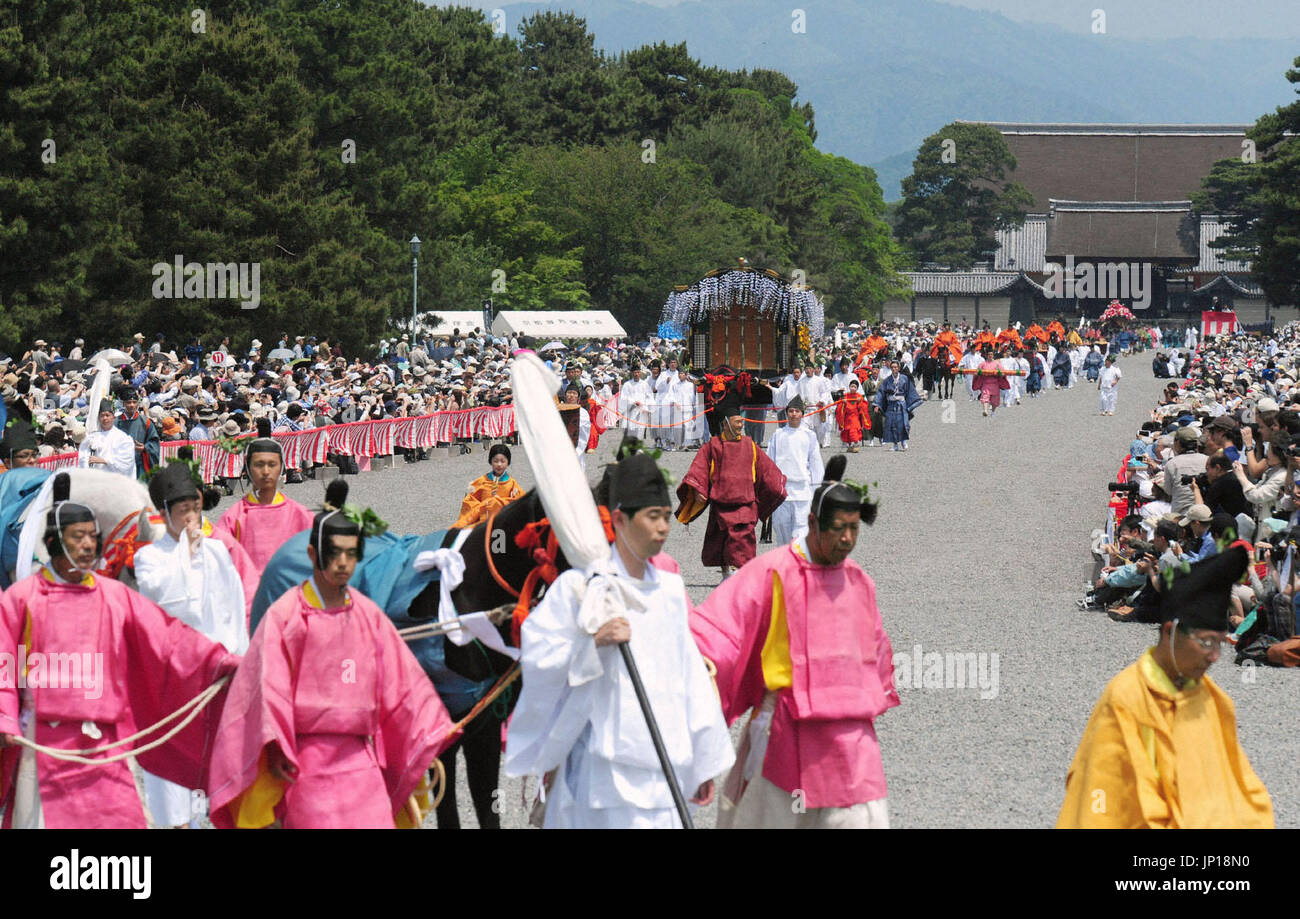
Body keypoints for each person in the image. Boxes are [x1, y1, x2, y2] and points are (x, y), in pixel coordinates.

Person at [503, 451, 734, 828]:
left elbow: (690, 675)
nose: (663, 527)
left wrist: (704, 758)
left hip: (666, 762)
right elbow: (538, 656)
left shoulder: (671, 589)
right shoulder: (582, 587)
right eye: (653, 517)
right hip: (603, 769)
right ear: (621, 520)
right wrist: (590, 645)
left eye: (665, 516)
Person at [0, 473, 240, 828]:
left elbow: (169, 638)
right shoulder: (22, 598)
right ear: (53, 542)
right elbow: (4, 663)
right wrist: (5, 717)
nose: (87, 546)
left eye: (92, 537)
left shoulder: (115, 596)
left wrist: (219, 662)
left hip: (104, 741)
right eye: (77, 537)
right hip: (44, 741)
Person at [207, 491, 454, 828]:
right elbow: (266, 689)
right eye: (334, 553)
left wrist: (428, 732)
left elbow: (403, 687)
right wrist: (278, 747)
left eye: (351, 555)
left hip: (362, 765)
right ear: (313, 554)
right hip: (306, 767)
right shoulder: (286, 616)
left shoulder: (369, 615)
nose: (342, 563)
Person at [692, 455, 898, 828]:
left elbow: (877, 655)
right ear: (814, 523)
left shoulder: (859, 582)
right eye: (838, 528)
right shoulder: (773, 572)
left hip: (852, 736)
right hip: (785, 726)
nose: (847, 539)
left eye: (854, 528)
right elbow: (718, 631)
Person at [1056, 546, 1273, 827]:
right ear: (1171, 632)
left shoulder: (1215, 701)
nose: (1214, 657)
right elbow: (1100, 799)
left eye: (1219, 644)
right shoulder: (1126, 699)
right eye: (1206, 642)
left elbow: (1241, 788)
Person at [134, 462, 251, 828]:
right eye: (182, 510)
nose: (190, 518)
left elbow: (233, 605)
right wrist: (186, 554)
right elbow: (163, 597)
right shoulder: (149, 557)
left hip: (216, 670)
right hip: (173, 676)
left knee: (218, 757)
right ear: (165, 513)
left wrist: (239, 656)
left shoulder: (217, 552)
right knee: (172, 761)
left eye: (195, 509)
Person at [675, 393, 787, 578]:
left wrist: (778, 486)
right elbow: (699, 469)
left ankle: (740, 574)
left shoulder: (750, 444)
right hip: (721, 503)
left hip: (745, 504)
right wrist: (697, 491)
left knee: (743, 542)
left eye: (741, 422)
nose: (740, 425)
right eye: (737, 422)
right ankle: (726, 573)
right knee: (720, 542)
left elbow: (766, 470)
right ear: (725, 423)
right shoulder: (713, 445)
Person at [212, 419, 314, 573]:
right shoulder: (233, 518)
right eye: (259, 464)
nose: (266, 471)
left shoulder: (301, 515)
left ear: (282, 467)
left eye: (272, 464)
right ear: (248, 467)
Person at [765, 396, 824, 546]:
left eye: (797, 411)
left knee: (801, 536)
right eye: (790, 411)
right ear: (786, 413)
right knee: (783, 534)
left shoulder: (809, 436)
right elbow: (769, 464)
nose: (793, 414)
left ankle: (800, 567)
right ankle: (786, 568)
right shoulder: (778, 435)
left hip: (803, 492)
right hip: (782, 493)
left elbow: (816, 465)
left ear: (802, 414)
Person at [453, 444, 526, 530]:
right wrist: (483, 506)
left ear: (508, 462)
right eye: (495, 461)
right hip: (482, 524)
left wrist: (498, 502)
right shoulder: (482, 481)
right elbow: (470, 501)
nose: (499, 464)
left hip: (502, 523)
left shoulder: (512, 484)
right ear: (490, 461)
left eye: (503, 461)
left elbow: (518, 503)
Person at [77, 399, 136, 477]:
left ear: (113, 417)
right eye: (102, 415)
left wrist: (104, 461)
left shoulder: (123, 438)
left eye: (107, 415)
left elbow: (126, 463)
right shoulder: (92, 437)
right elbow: (82, 460)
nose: (105, 418)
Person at [875, 360, 923, 452]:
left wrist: (913, 403)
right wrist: (877, 404)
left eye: (896, 367)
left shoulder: (905, 379)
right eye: (892, 367)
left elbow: (910, 391)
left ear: (899, 368)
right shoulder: (887, 380)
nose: (894, 369)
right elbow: (881, 393)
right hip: (891, 405)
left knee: (905, 423)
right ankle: (895, 444)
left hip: (901, 404)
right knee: (892, 425)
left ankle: (904, 441)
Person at [116, 388, 160, 478]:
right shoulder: (115, 423)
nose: (132, 405)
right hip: (120, 467)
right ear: (123, 404)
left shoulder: (146, 422)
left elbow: (154, 442)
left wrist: (145, 448)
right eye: (128, 402)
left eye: (134, 402)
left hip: (140, 466)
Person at [835, 378, 871, 452]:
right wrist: (843, 403)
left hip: (855, 417)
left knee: (853, 430)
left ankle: (856, 444)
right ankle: (851, 445)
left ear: (857, 388)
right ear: (849, 387)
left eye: (855, 387)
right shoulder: (846, 396)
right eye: (852, 386)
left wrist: (859, 402)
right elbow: (840, 406)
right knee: (847, 431)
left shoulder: (859, 396)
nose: (853, 388)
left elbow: (863, 407)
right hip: (847, 417)